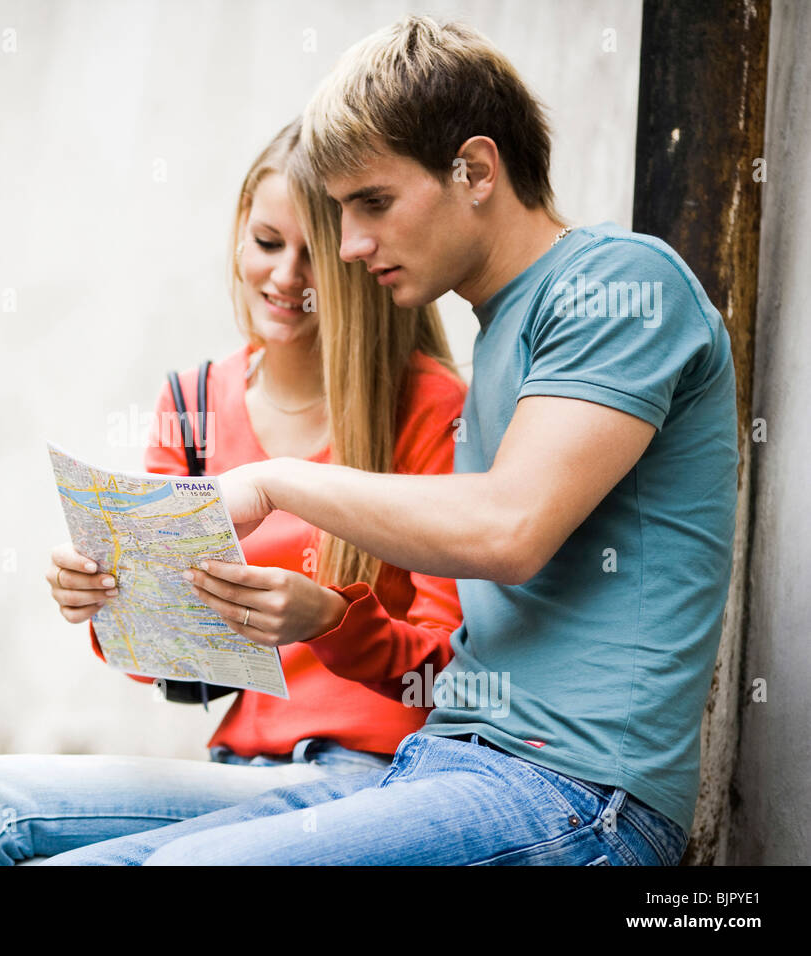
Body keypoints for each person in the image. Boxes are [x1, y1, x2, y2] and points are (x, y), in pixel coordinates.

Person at [46, 16, 739, 866]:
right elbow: (455, 650)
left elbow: (507, 531)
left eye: (371, 203)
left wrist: (276, 482)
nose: (349, 247)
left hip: (583, 797)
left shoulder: (619, 284)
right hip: (447, 764)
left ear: (475, 170)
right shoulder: (498, 339)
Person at [0, 119, 468, 865]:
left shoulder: (429, 405)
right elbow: (167, 657)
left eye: (315, 255)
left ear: (360, 260)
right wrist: (105, 599)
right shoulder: (195, 399)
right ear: (238, 239)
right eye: (266, 243)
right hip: (239, 773)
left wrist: (329, 621)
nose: (287, 277)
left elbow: (448, 676)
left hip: (369, 780)